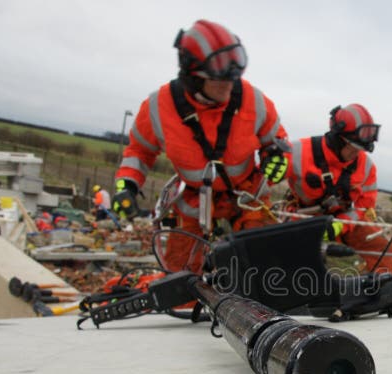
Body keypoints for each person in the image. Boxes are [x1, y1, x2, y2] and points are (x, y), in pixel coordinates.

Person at [113, 19, 289, 270]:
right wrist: (127, 185)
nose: (229, 86)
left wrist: (276, 158)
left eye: (233, 78)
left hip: (247, 197)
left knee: (263, 266)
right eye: (219, 79)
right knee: (181, 274)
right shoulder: (159, 108)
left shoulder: (254, 101)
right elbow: (140, 152)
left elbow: (278, 141)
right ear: (193, 77)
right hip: (194, 201)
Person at [285, 104, 392, 275]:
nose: (357, 154)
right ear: (337, 140)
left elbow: (364, 208)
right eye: (354, 148)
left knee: (385, 248)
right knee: (288, 257)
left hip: (343, 221)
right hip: (301, 219)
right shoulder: (297, 152)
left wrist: (341, 224)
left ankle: (387, 290)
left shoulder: (366, 167)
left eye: (361, 149)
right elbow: (263, 181)